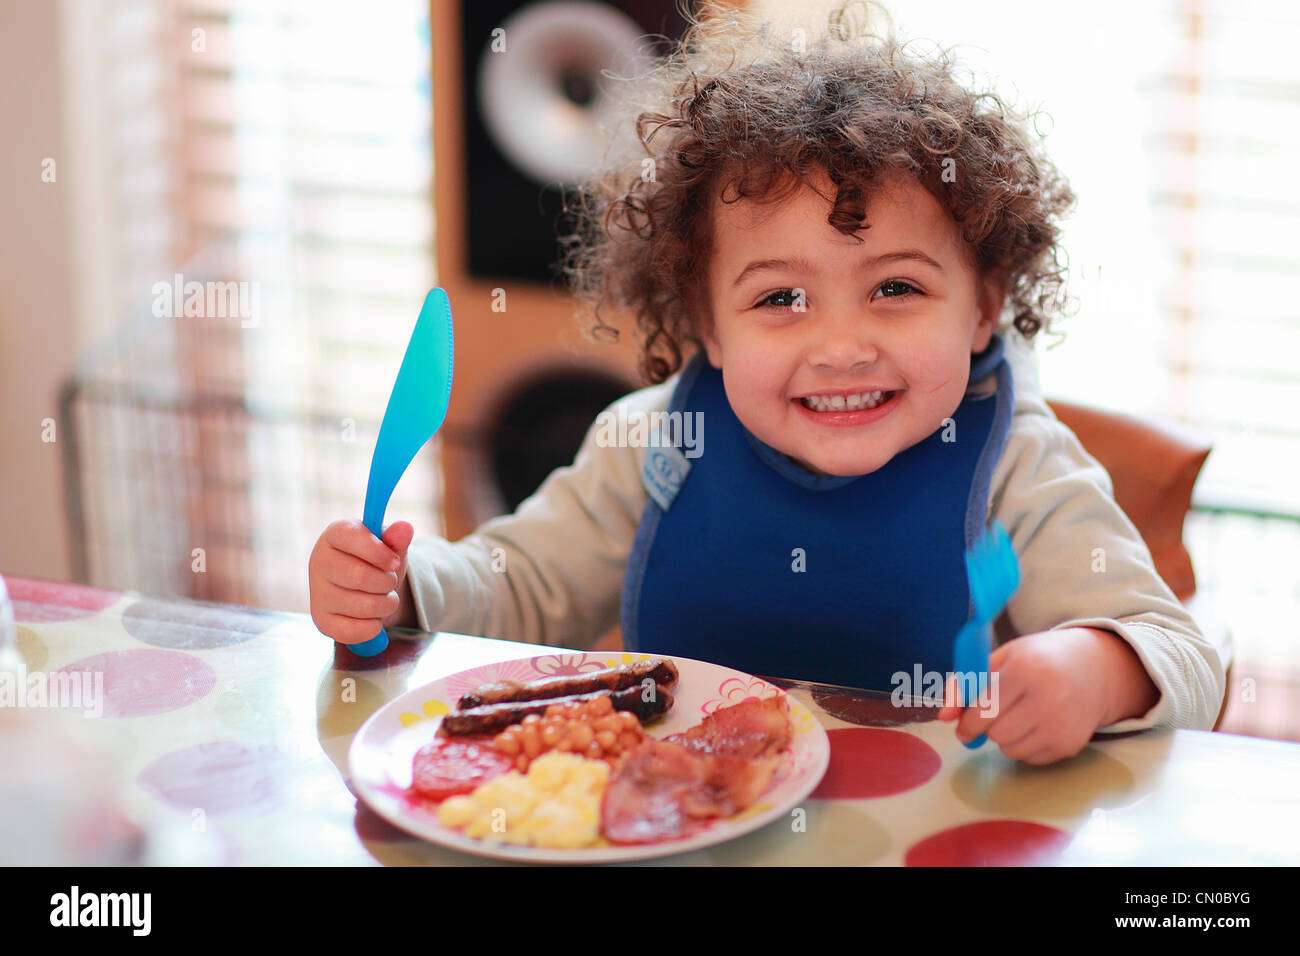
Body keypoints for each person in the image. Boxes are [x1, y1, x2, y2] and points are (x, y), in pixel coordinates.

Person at [308, 5, 1224, 764]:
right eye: (780, 297)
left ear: (984, 306)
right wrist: (400, 586)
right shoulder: (657, 443)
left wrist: (1090, 667)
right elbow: (516, 584)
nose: (841, 346)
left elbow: (1185, 658)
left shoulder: (1015, 463)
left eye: (895, 289)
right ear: (706, 322)